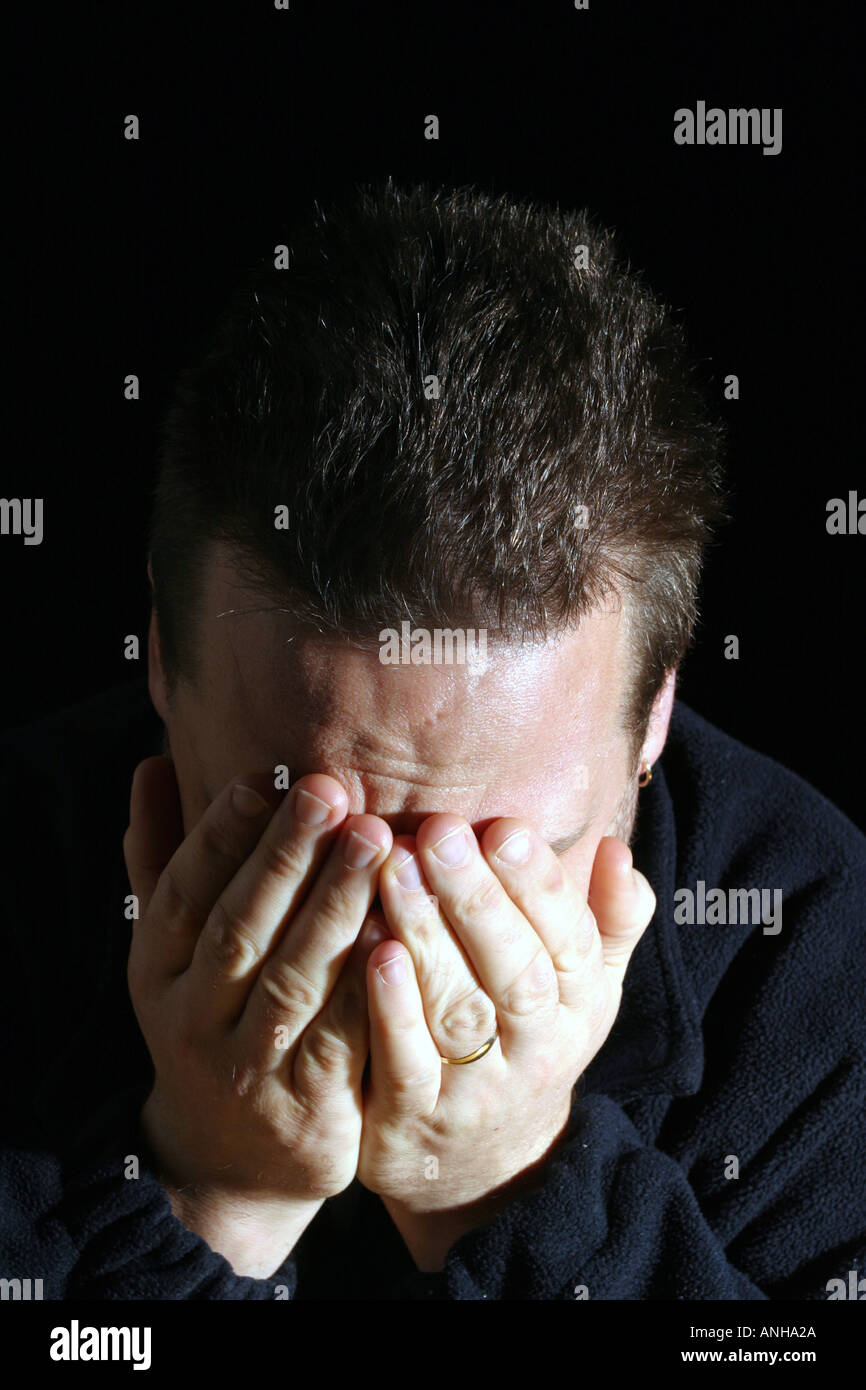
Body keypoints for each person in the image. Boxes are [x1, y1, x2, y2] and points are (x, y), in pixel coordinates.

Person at [1, 182, 863, 1300]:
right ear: (162, 657)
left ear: (652, 710)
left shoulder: (805, 954)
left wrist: (505, 1193)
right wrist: (214, 1196)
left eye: (497, 860)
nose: (387, 954)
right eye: (289, 831)